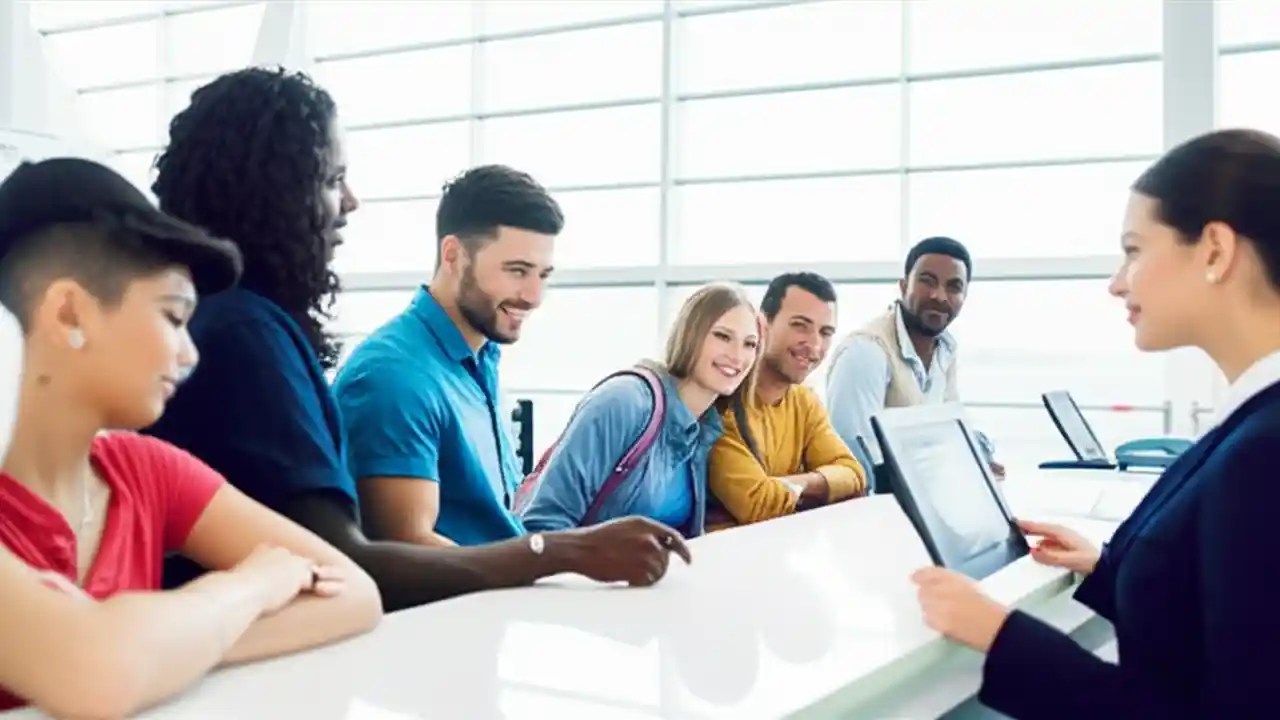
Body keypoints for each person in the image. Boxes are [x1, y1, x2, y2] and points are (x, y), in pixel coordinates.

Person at [145, 67, 690, 613]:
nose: (352, 202)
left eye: (542, 275)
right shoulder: (258, 337)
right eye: (333, 179)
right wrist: (561, 552)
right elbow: (349, 563)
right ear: (275, 191)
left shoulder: (476, 360)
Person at [912, 128, 1280, 718]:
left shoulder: (1264, 454)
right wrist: (1114, 565)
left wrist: (1000, 633)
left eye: (1134, 250)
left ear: (1214, 250)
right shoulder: (1254, 420)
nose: (1116, 281)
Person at [0, 158, 381, 713]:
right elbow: (99, 671)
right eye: (173, 317)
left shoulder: (145, 468)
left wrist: (166, 647)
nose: (189, 353)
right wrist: (247, 587)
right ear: (68, 313)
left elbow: (353, 593)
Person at [520, 282, 761, 535]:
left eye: (750, 344)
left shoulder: (704, 428)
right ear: (691, 335)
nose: (737, 356)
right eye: (723, 336)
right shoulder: (625, 402)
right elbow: (542, 524)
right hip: (576, 573)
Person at [825, 236, 1003, 483]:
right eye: (927, 281)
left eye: (954, 287)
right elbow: (857, 461)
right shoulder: (866, 350)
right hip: (877, 507)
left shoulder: (945, 350)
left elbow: (955, 430)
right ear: (903, 285)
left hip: (927, 497)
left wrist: (976, 459)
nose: (939, 296)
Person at [706, 272, 865, 529]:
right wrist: (822, 489)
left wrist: (792, 485)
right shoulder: (722, 401)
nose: (814, 345)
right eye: (800, 325)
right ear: (762, 324)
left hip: (786, 548)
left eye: (825, 332)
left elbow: (854, 474)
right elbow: (759, 504)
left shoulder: (804, 402)